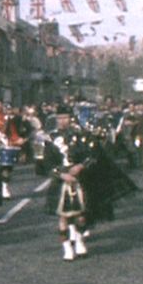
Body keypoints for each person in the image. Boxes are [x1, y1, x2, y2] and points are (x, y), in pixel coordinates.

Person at [44, 104, 93, 261]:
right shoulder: (51, 138)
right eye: (59, 118)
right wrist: (61, 174)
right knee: (63, 217)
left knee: (80, 215)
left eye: (64, 117)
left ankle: (79, 240)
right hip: (61, 181)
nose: (61, 121)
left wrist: (80, 166)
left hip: (79, 179)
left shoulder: (80, 135)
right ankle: (67, 248)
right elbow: (47, 164)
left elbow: (91, 156)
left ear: (71, 118)